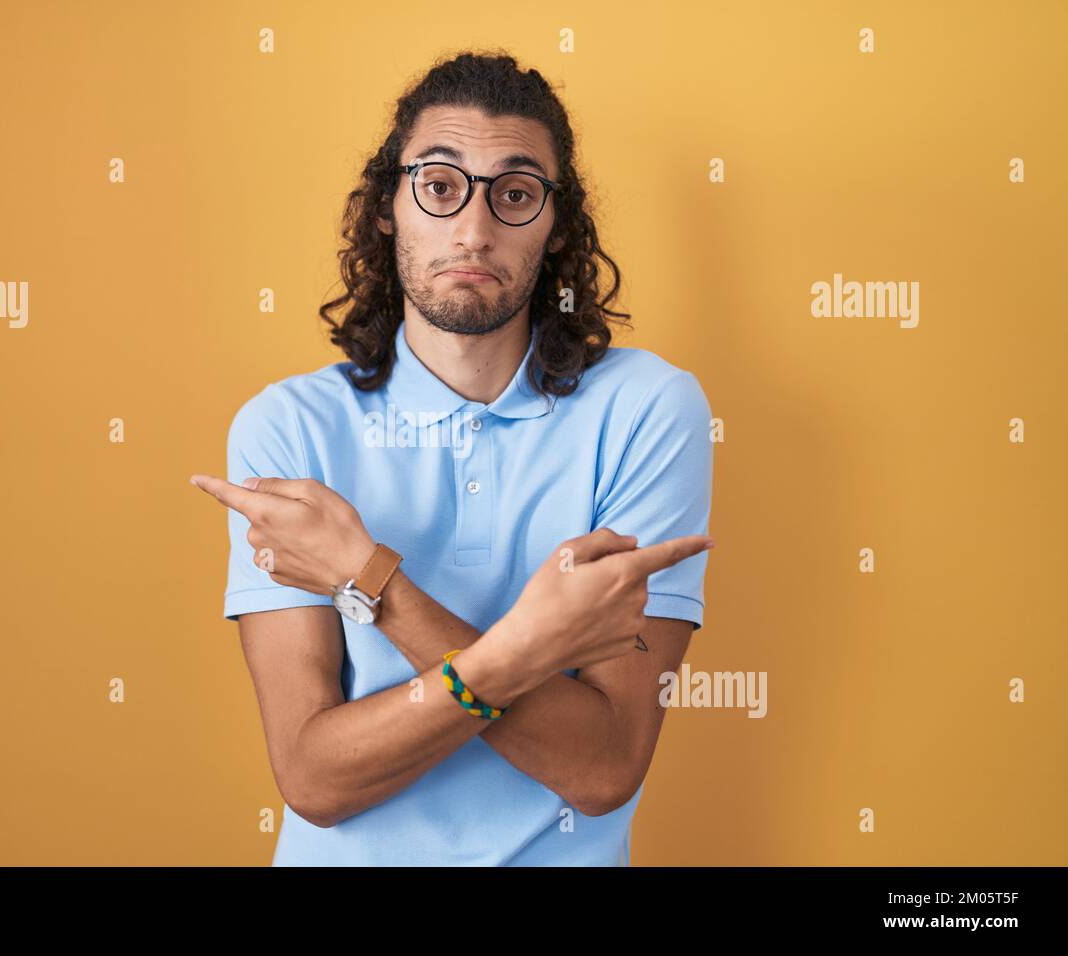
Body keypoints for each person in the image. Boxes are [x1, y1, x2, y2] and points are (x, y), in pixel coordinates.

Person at [191, 50, 714, 866]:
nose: (474, 231)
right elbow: (314, 779)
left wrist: (372, 578)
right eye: (439, 185)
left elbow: (604, 765)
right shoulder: (288, 427)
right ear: (389, 207)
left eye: (514, 194)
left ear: (558, 222)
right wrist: (527, 649)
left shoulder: (648, 411)